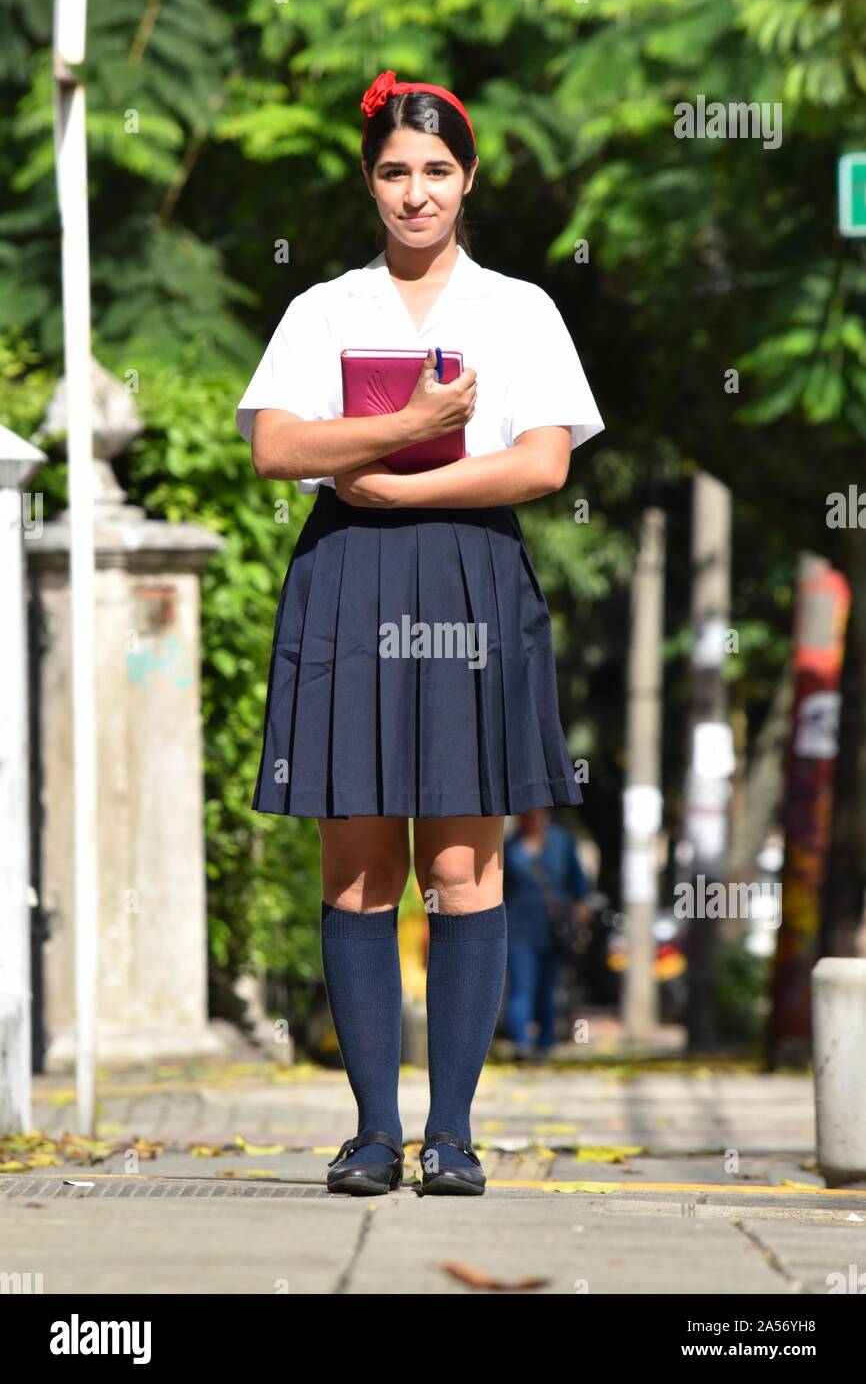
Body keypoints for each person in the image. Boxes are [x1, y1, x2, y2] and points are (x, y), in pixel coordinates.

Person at [235, 69, 604, 1197]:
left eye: (435, 170)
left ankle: (450, 1134)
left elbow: (543, 460)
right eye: (394, 171)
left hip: (466, 574)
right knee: (356, 866)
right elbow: (275, 449)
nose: (414, 192)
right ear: (369, 182)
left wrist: (398, 483)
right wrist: (406, 428)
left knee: (461, 862)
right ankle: (369, 1133)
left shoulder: (519, 309)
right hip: (345, 577)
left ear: (468, 178)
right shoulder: (324, 309)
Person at [503, 809, 592, 1059]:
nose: (532, 819)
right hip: (518, 928)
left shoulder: (561, 842)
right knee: (522, 987)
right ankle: (521, 1043)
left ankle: (545, 1044)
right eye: (526, 815)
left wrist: (580, 915)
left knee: (549, 988)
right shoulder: (509, 847)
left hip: (554, 930)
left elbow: (578, 883)